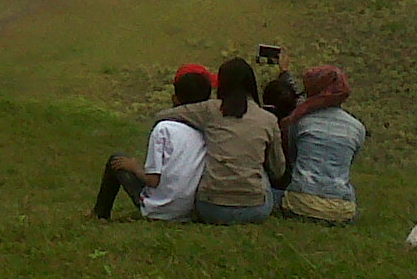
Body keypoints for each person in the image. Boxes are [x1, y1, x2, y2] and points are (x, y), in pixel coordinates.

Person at [158, 57, 286, 225]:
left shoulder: (210, 110)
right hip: (254, 210)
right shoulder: (268, 119)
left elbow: (162, 116)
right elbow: (278, 170)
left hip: (210, 208)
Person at [92, 64, 214, 222]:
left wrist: (134, 167)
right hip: (192, 209)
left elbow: (153, 180)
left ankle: (100, 213)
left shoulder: (164, 128)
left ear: (175, 99)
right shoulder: (208, 130)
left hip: (161, 210)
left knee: (117, 160)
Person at [277, 64, 366, 225]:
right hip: (342, 209)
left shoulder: (298, 121)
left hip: (299, 204)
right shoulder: (357, 127)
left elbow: (292, 159)